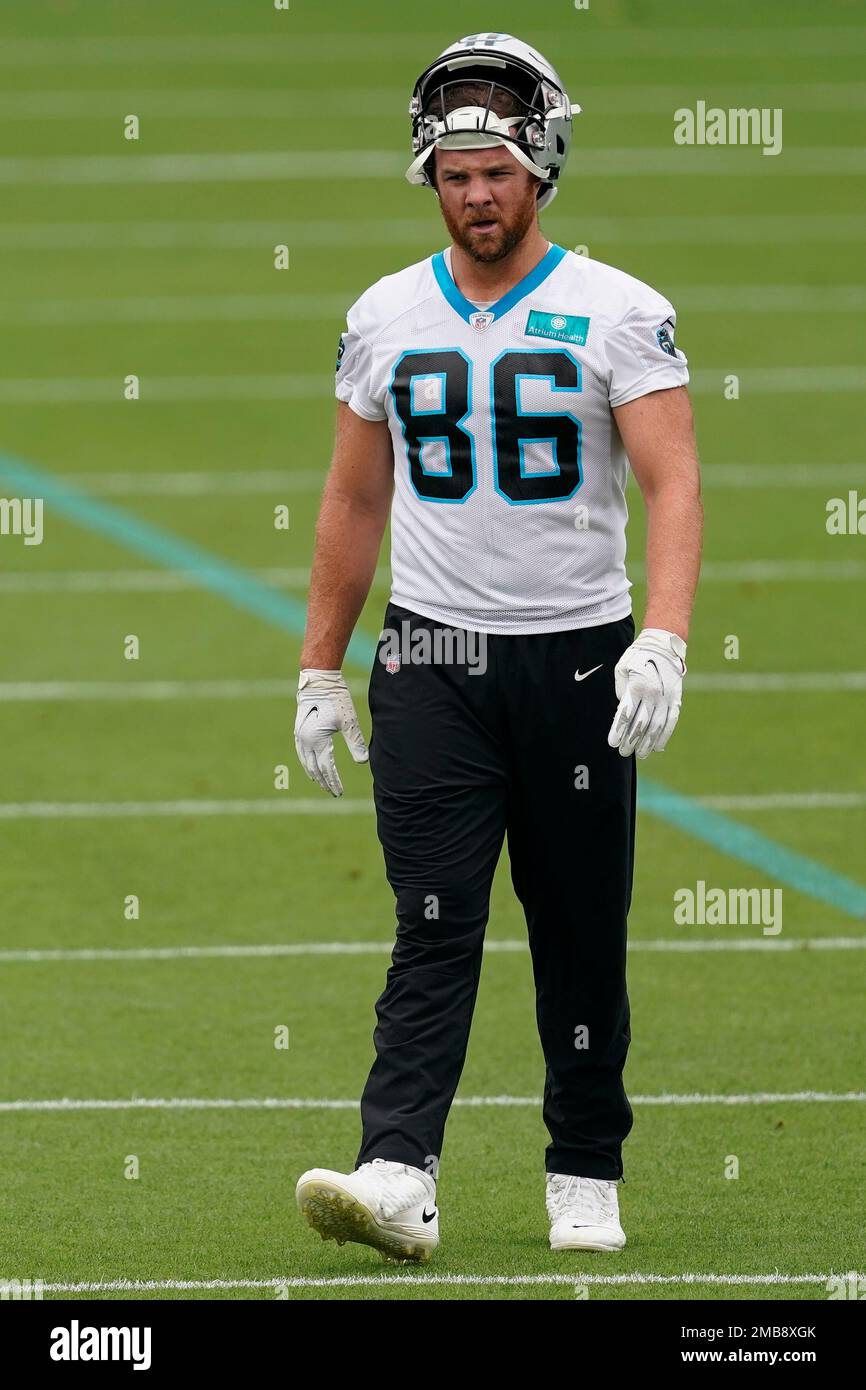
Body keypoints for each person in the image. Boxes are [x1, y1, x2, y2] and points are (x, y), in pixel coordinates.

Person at [294, 33, 702, 1264]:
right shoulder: (383, 314)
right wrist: (320, 662)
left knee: (580, 925)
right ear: (429, 173)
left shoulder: (620, 309)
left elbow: (671, 484)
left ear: (542, 170)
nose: (476, 193)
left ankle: (583, 1164)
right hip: (428, 663)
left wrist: (663, 640)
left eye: (498, 171)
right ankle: (397, 1168)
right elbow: (353, 500)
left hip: (577, 659)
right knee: (432, 918)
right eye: (456, 171)